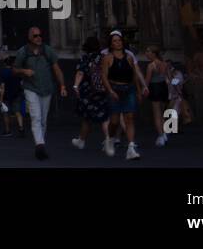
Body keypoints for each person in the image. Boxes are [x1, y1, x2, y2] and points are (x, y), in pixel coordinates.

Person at [13, 26, 68, 160]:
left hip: (47, 89)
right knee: (36, 116)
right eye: (35, 36)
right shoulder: (23, 52)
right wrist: (24, 71)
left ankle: (40, 143)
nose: (38, 38)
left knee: (43, 119)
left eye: (40, 35)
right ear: (29, 37)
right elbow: (15, 69)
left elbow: (56, 69)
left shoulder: (47, 50)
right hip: (31, 88)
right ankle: (40, 145)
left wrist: (62, 86)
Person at [101, 30, 147, 160]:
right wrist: (110, 90)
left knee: (129, 117)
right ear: (111, 44)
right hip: (114, 88)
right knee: (114, 121)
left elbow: (134, 75)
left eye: (119, 40)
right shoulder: (107, 58)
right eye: (115, 41)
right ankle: (110, 138)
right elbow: (104, 76)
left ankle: (131, 147)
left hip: (129, 88)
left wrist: (138, 90)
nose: (118, 43)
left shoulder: (129, 57)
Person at [70, 36, 110, 149]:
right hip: (101, 90)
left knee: (86, 118)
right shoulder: (103, 57)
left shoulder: (85, 58)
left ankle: (81, 141)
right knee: (104, 117)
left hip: (87, 92)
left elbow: (80, 73)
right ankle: (108, 140)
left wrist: (76, 85)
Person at [144, 45, 172, 147]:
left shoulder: (151, 66)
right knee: (162, 111)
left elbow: (147, 81)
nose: (146, 54)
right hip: (163, 87)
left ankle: (160, 136)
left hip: (154, 88)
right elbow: (169, 78)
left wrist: (144, 90)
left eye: (148, 51)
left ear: (153, 54)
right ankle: (164, 133)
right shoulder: (165, 64)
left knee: (156, 113)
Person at [0, 55, 25, 137]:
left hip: (6, 95)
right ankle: (21, 128)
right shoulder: (17, 72)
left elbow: (2, 87)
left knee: (6, 113)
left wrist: (1, 99)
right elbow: (22, 83)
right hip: (17, 94)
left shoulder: (4, 72)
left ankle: (8, 131)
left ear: (5, 63)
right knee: (18, 112)